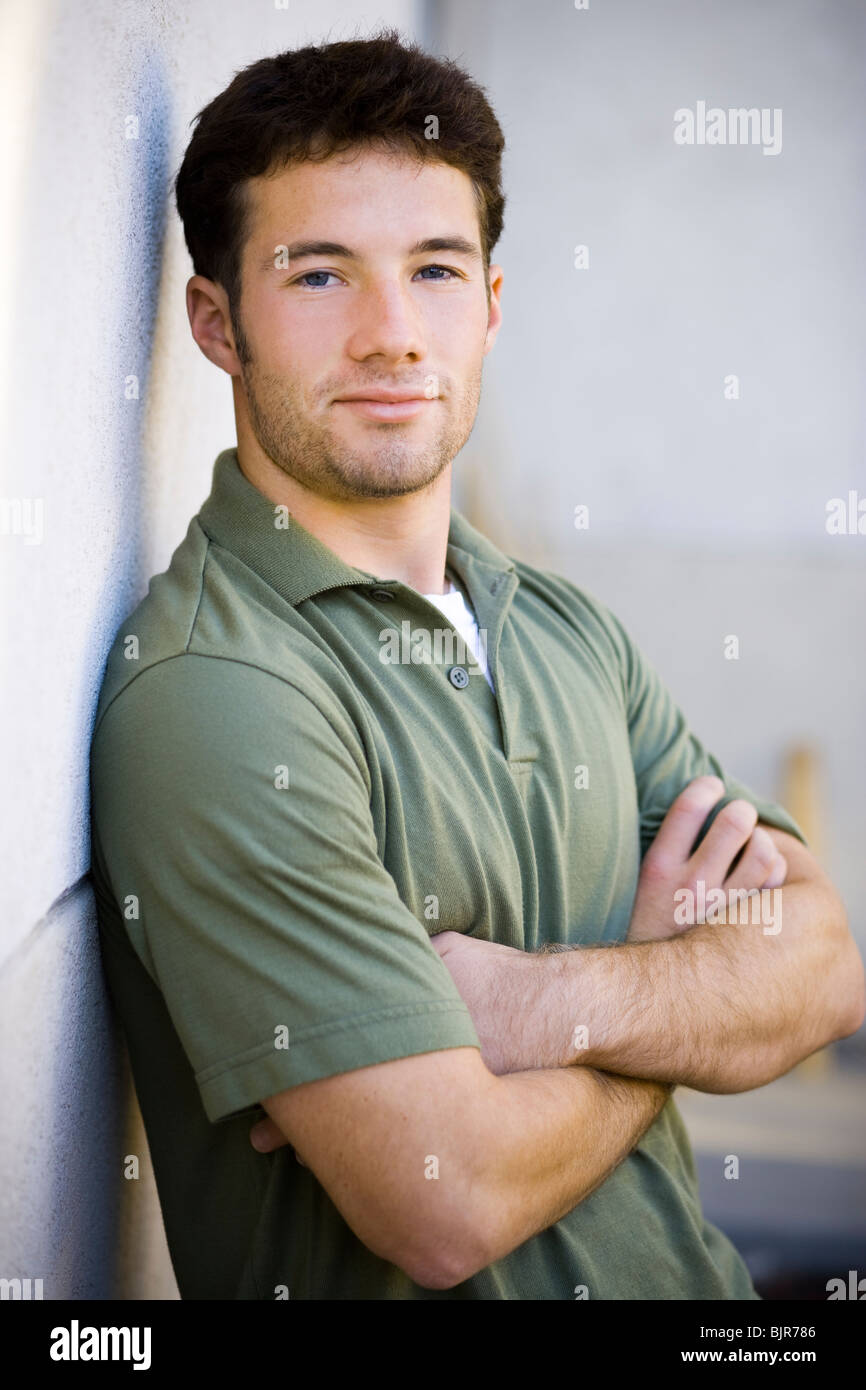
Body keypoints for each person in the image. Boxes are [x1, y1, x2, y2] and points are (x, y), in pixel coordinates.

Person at [88, 30, 864, 1300]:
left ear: (491, 306)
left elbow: (821, 967)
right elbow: (444, 1200)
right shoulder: (218, 696)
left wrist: (527, 1006)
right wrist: (672, 996)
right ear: (216, 324)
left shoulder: (564, 630)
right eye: (321, 275)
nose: (395, 335)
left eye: (436, 270)